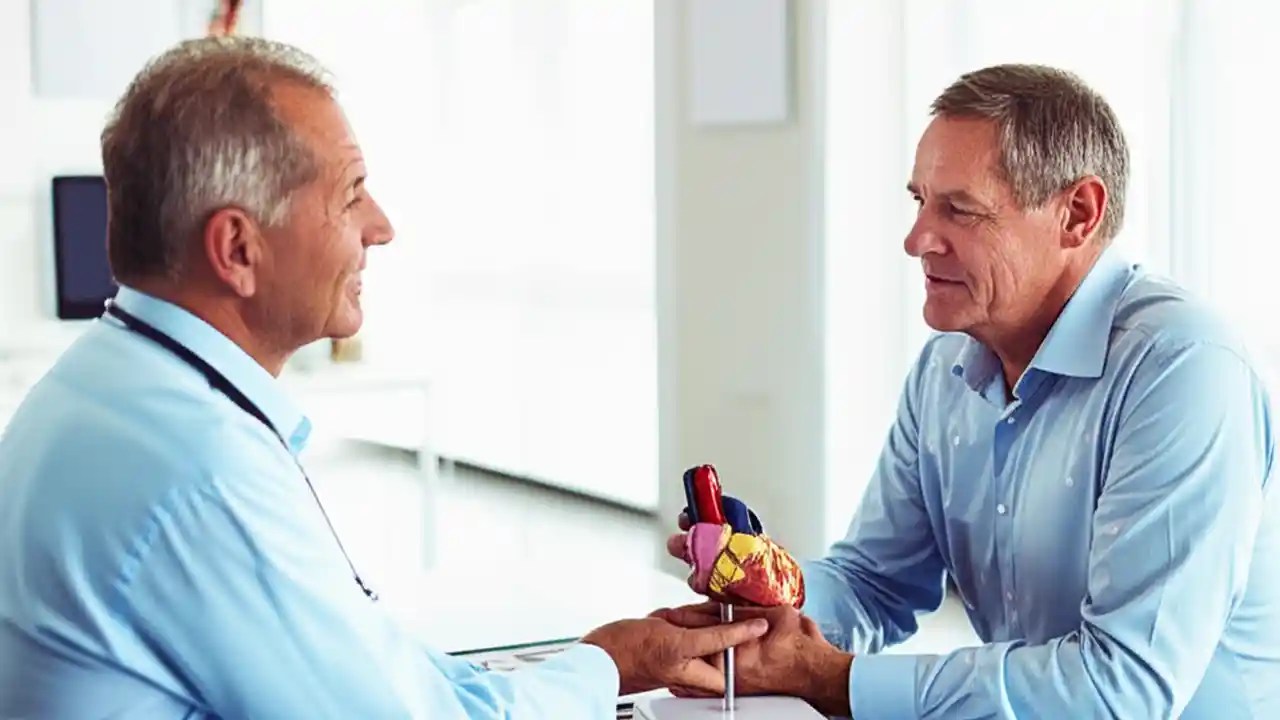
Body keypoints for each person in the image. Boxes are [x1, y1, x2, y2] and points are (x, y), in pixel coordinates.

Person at [0, 37, 768, 718]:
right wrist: (603, 666)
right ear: (237, 249)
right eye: (350, 193)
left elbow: (353, 672)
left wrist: (597, 661)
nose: (381, 226)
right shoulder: (197, 467)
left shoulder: (99, 390)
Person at [665, 63, 1280, 718]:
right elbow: (874, 584)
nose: (916, 240)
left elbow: (1118, 689)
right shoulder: (945, 369)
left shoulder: (1183, 370)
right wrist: (767, 595)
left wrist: (837, 680)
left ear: (1077, 213)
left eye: (958, 209)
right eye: (919, 201)